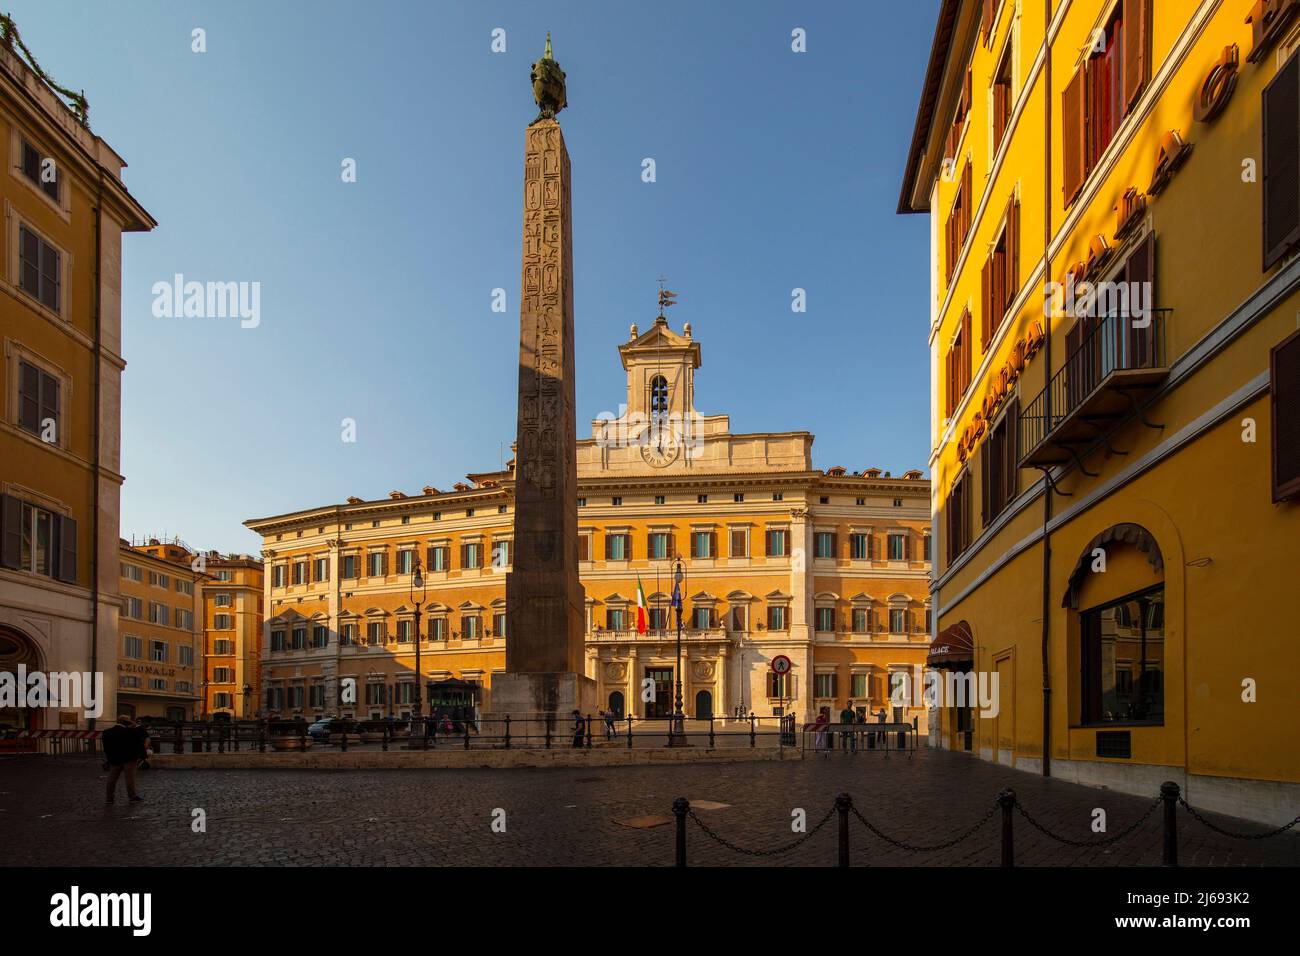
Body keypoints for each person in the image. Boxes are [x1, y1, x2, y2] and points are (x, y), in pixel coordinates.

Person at [102, 716, 146, 804]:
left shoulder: (107, 732)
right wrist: (135, 724)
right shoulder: (130, 731)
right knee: (129, 778)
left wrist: (109, 758)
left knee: (112, 778)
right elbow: (143, 734)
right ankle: (132, 797)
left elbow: (106, 747)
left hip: (114, 758)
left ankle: (109, 798)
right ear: (126, 722)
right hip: (129, 758)